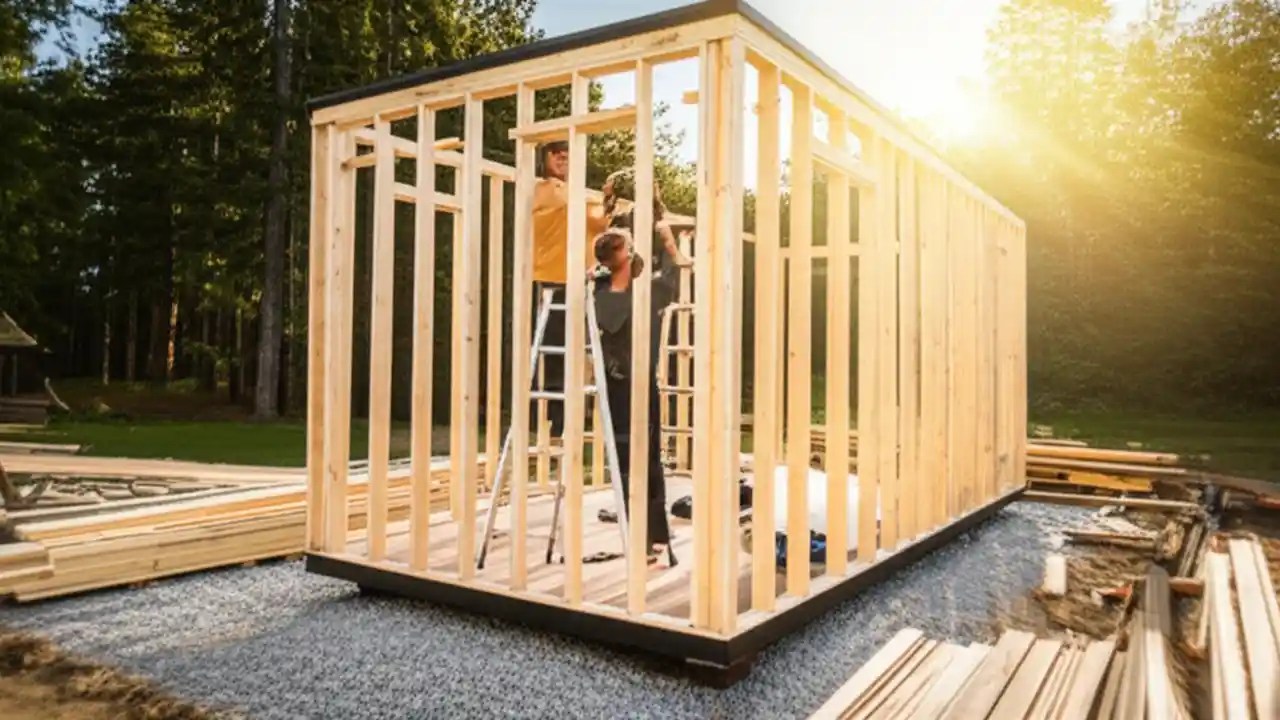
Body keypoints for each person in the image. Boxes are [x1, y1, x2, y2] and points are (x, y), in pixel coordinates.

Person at [588, 227, 676, 566]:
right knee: (628, 464)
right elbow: (613, 316)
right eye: (629, 246)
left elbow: (669, 278)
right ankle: (638, 536)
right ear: (619, 257)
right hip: (620, 388)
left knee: (650, 462)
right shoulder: (609, 296)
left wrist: (667, 241)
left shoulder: (636, 291)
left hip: (641, 386)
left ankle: (656, 538)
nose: (636, 249)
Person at [530, 141, 612, 437]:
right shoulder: (544, 188)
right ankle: (556, 420)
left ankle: (575, 418)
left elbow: (599, 222)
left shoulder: (576, 196)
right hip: (554, 277)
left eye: (568, 155)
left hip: (580, 280)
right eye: (557, 155)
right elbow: (579, 212)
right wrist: (603, 204)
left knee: (581, 351)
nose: (563, 160)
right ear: (545, 159)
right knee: (557, 350)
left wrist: (609, 204)